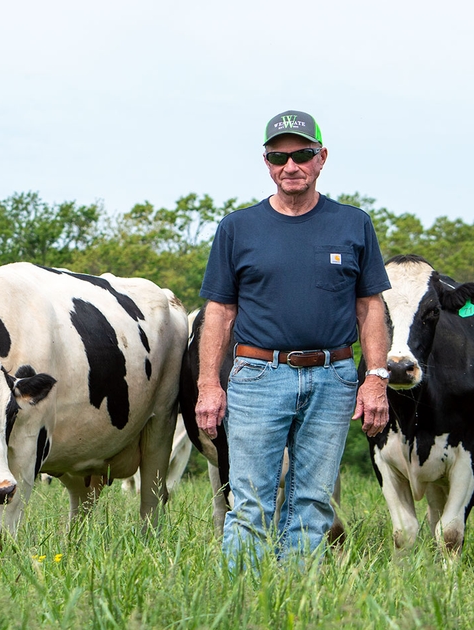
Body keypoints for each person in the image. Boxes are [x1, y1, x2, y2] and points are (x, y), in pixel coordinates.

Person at [195, 109, 391, 569]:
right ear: (266, 162)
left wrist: (376, 378)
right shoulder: (237, 227)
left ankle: (295, 602)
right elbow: (220, 312)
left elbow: (370, 307)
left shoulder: (353, 224)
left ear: (322, 158)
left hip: (334, 377)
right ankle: (244, 606)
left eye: (302, 154)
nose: (290, 165)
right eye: (278, 156)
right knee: (250, 504)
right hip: (258, 375)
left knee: (314, 503)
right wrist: (209, 384)